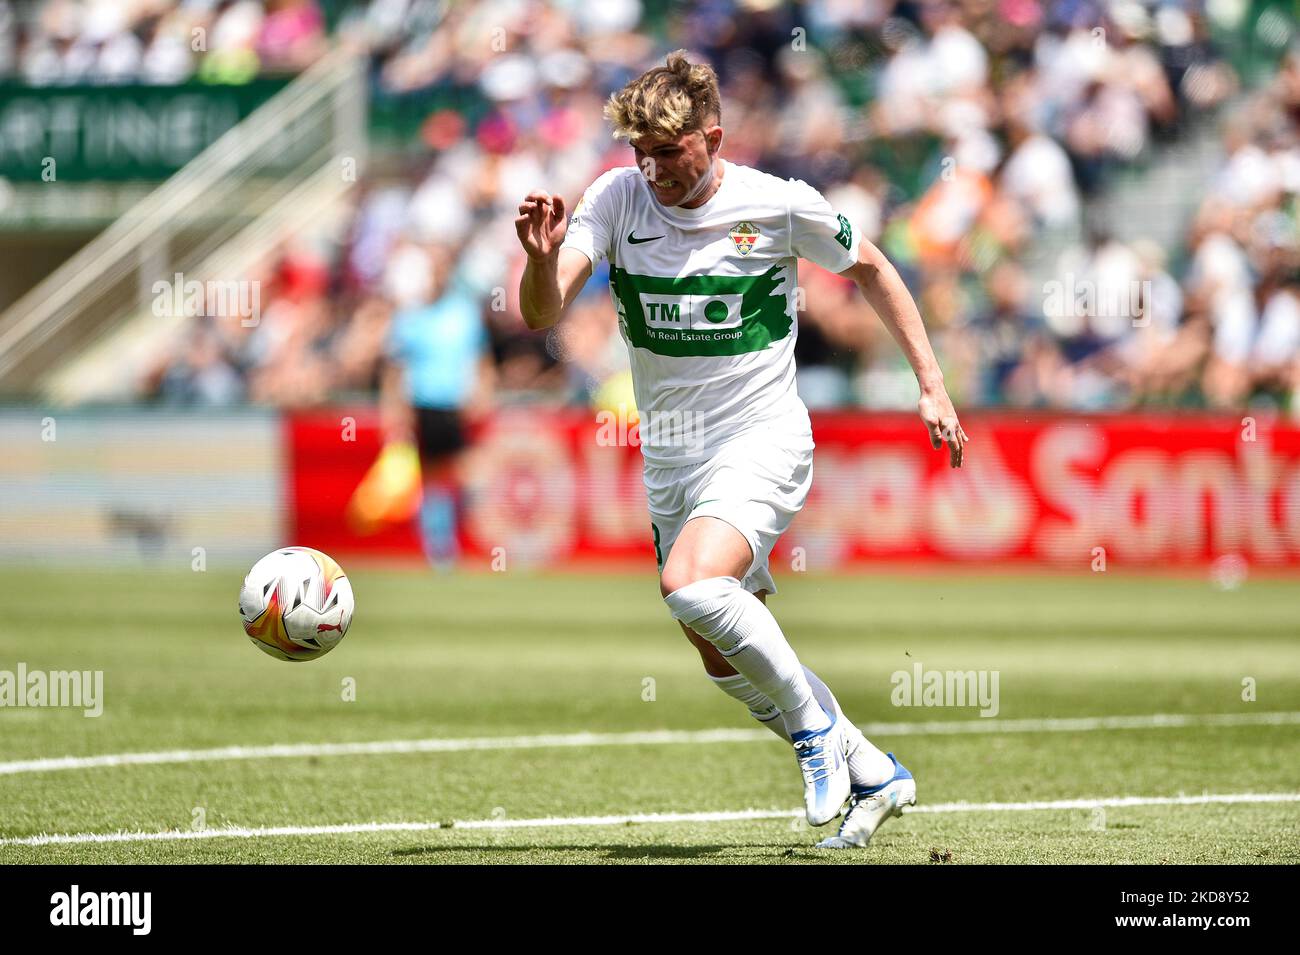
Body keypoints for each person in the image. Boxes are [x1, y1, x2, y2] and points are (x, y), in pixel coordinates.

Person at [513, 52, 968, 849]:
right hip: (672, 459)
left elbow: (871, 265)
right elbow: (540, 315)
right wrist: (543, 260)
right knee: (721, 649)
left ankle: (812, 733)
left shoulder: (777, 204)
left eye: (667, 152)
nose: (652, 169)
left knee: (689, 583)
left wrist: (929, 382)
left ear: (712, 136)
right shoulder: (617, 200)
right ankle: (873, 767)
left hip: (762, 436)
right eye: (640, 152)